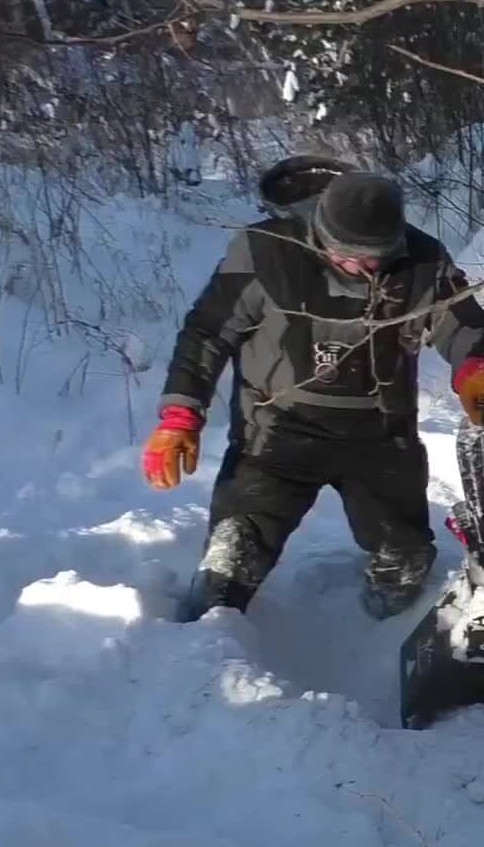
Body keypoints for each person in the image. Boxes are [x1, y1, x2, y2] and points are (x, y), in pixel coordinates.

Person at [143, 156, 484, 621]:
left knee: (405, 558)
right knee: (232, 557)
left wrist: (476, 366)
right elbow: (208, 332)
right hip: (277, 432)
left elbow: (459, 321)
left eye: (372, 257)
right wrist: (182, 412)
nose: (358, 265)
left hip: (379, 434)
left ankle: (381, 633)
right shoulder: (265, 252)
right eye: (345, 252)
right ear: (320, 229)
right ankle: (200, 648)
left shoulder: (422, 261)